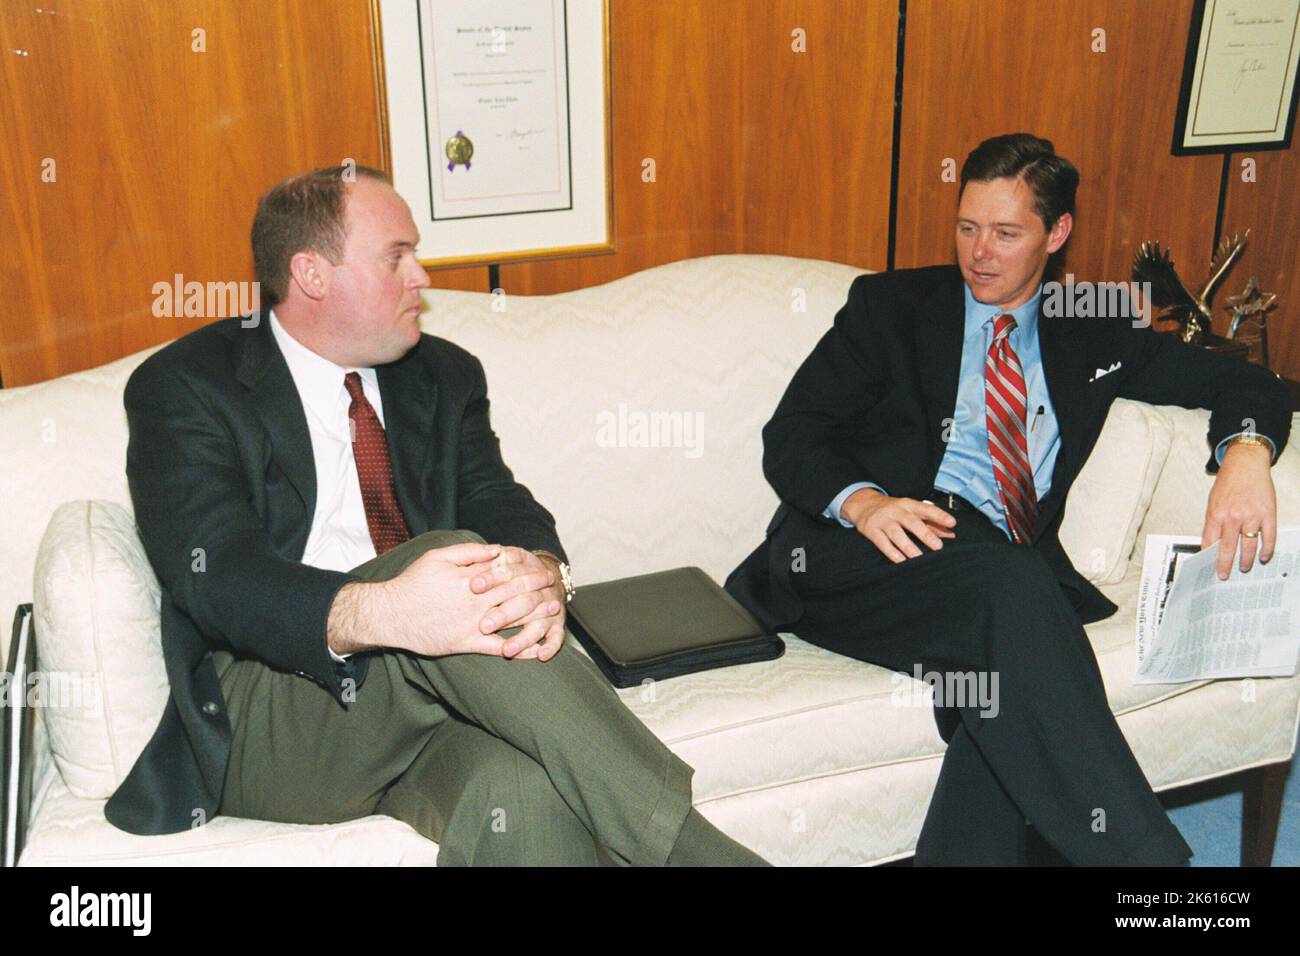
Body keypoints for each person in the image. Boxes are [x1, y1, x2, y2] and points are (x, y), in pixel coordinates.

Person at [105, 164, 767, 867]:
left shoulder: (443, 375)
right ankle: (695, 853)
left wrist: (543, 572)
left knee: (526, 799)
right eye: (397, 257)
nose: (422, 277)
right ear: (312, 274)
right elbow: (216, 575)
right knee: (453, 560)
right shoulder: (186, 386)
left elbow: (497, 500)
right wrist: (388, 613)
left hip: (433, 696)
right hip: (276, 711)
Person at [725, 133, 1291, 865]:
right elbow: (793, 434)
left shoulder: (1092, 323)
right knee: (1021, 603)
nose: (979, 253)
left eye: (1005, 233)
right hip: (859, 555)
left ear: (1057, 235)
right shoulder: (892, 307)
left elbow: (1248, 383)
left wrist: (1246, 452)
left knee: (992, 688)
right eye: (967, 228)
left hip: (992, 573)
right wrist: (866, 504)